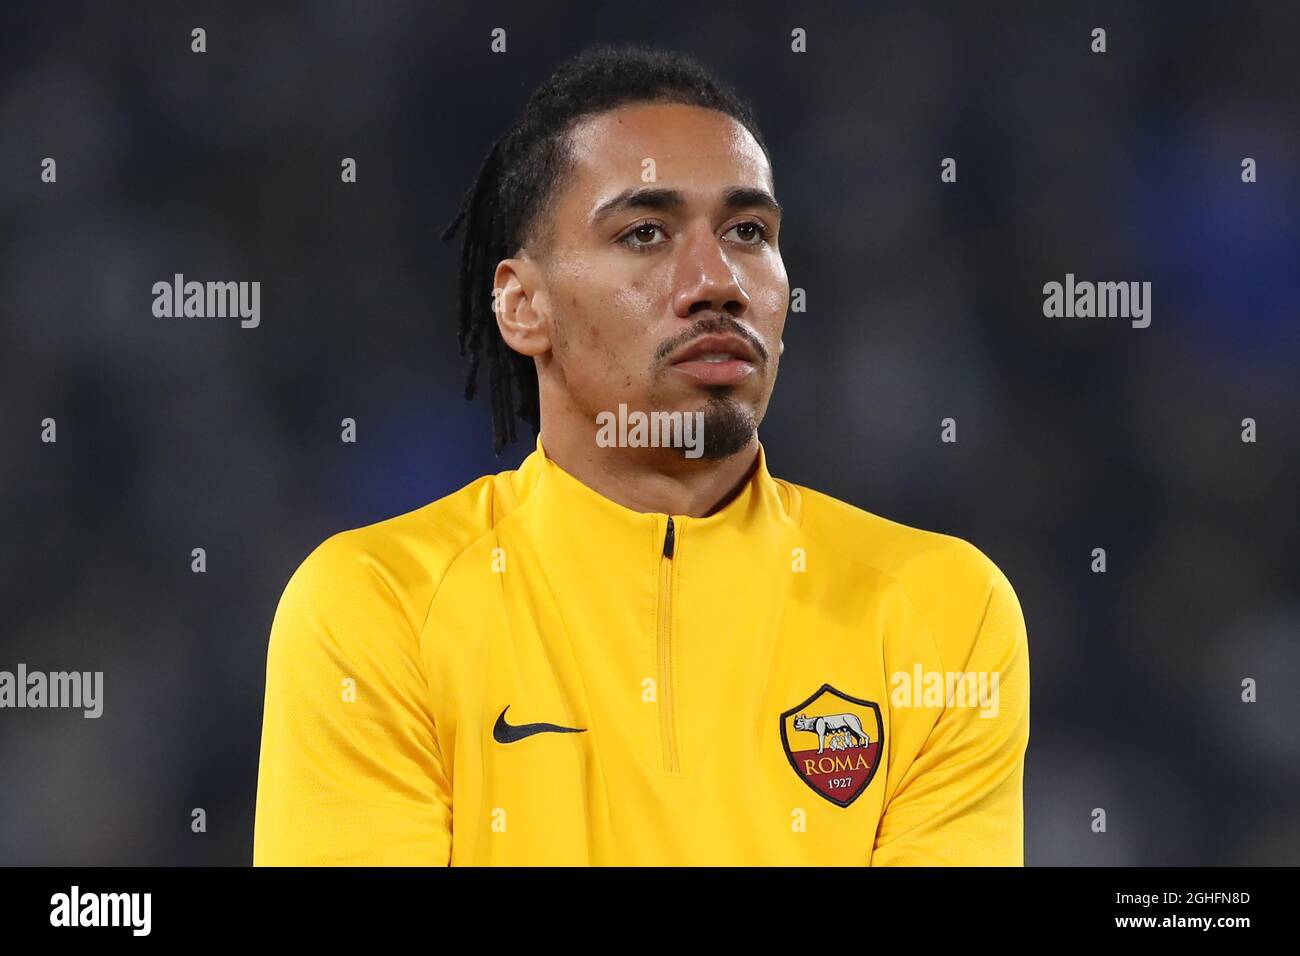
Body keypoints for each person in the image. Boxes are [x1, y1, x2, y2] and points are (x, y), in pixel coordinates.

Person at [253, 43, 1029, 866]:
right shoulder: (379, 610)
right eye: (647, 232)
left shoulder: (943, 613)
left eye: (748, 231)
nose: (717, 278)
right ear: (523, 307)